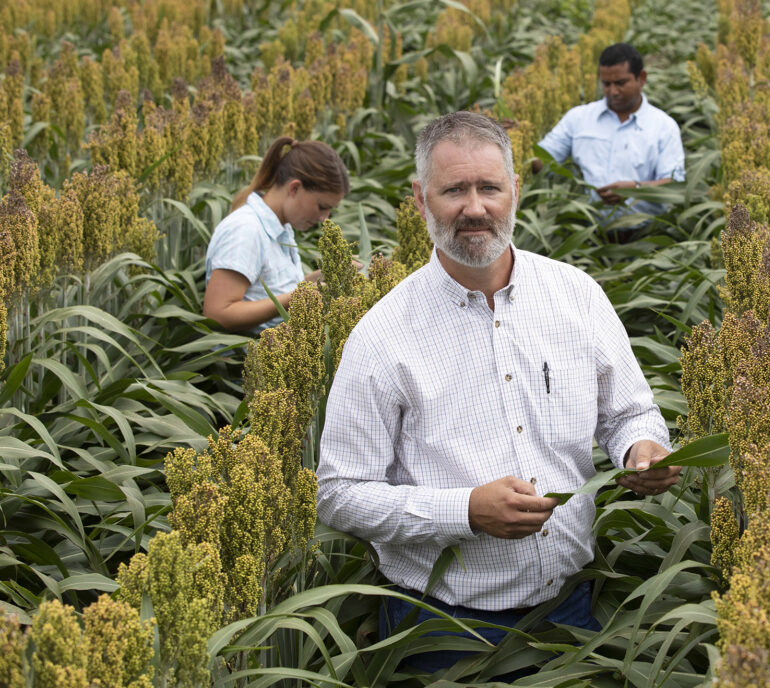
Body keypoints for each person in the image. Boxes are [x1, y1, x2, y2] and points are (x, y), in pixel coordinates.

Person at [316, 112, 680, 673]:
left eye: (489, 187)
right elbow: (340, 492)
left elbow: (629, 412)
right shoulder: (382, 336)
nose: (475, 207)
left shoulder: (576, 296)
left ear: (516, 189)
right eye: (453, 190)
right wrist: (465, 510)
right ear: (420, 199)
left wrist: (641, 450)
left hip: (570, 614)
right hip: (443, 629)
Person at [204, 136, 350, 332]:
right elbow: (218, 313)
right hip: (243, 359)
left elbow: (274, 290)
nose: (325, 218)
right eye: (322, 206)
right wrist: (301, 296)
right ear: (295, 188)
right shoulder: (245, 230)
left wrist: (328, 275)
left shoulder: (282, 226)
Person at [535, 43, 685, 231]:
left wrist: (636, 189)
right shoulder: (579, 118)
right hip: (586, 239)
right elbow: (542, 163)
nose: (613, 91)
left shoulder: (663, 126)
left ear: (642, 78)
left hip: (647, 241)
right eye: (606, 84)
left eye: (621, 83)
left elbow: (675, 185)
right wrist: (515, 139)